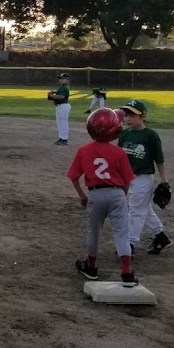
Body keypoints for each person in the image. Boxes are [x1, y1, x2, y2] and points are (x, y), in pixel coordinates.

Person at [68, 108, 138, 287]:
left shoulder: (84, 150)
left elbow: (74, 177)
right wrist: (121, 195)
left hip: (96, 194)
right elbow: (127, 179)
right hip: (116, 193)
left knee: (94, 232)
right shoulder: (119, 152)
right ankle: (127, 273)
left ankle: (91, 268)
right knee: (121, 233)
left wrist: (83, 196)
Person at [118, 100, 172, 255]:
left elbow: (159, 160)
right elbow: (120, 156)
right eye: (126, 115)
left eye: (132, 115)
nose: (127, 118)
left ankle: (130, 243)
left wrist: (164, 180)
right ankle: (161, 237)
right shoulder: (125, 134)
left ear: (143, 116)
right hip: (127, 178)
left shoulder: (151, 135)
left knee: (135, 210)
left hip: (143, 177)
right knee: (142, 208)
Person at [47, 73, 71, 145]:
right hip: (60, 106)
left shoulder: (65, 87)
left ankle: (64, 139)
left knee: (63, 123)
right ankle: (62, 138)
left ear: (67, 80)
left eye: (62, 78)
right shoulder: (62, 87)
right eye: (60, 78)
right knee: (60, 123)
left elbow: (61, 97)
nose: (60, 80)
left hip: (63, 106)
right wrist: (51, 95)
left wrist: (51, 95)